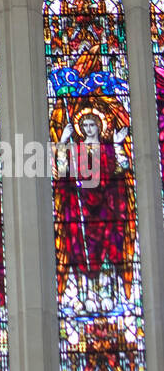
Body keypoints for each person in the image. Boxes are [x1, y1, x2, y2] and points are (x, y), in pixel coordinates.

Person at [55, 107, 131, 309]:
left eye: (92, 125)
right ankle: (86, 294)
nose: (89, 129)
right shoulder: (76, 149)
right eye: (85, 125)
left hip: (105, 208)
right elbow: (63, 171)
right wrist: (62, 143)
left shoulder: (106, 149)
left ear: (99, 126)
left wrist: (117, 145)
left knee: (106, 249)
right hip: (81, 209)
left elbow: (122, 167)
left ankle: (107, 293)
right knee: (80, 250)